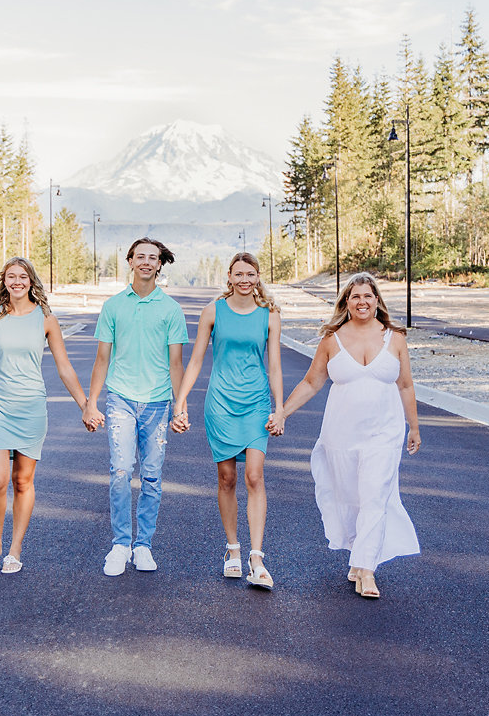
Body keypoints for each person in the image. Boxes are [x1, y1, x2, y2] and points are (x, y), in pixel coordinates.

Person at [276, 272, 421, 599]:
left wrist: (414, 426)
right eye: (355, 297)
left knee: (374, 494)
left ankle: (367, 569)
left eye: (368, 296)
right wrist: (283, 412)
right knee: (351, 497)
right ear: (346, 302)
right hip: (341, 434)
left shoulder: (394, 337)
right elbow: (312, 382)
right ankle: (358, 556)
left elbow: (406, 384)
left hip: (385, 432)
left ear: (377, 300)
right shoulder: (332, 339)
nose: (362, 302)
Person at [0, 257, 89, 576]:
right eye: (11, 276)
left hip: (30, 407)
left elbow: (65, 367)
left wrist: (86, 404)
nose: (17, 281)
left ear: (31, 281)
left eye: (22, 276)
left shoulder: (46, 319)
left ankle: (14, 550)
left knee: (22, 480)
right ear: (4, 281)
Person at [172, 253, 284, 590]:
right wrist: (180, 403)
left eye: (251, 274)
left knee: (254, 475)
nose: (245, 280)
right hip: (220, 404)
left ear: (258, 276)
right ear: (230, 277)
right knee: (226, 478)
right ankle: (232, 550)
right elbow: (194, 363)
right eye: (239, 274)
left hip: (255, 404)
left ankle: (257, 558)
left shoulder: (270, 314)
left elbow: (275, 365)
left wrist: (279, 408)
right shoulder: (213, 311)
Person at [82, 237, 188, 576]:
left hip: (157, 402)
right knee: (122, 470)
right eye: (139, 256)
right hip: (120, 399)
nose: (145, 262)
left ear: (160, 264)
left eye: (152, 257)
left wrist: (180, 405)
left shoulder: (170, 309)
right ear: (130, 261)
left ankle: (143, 546)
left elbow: (176, 364)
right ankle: (120, 544)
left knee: (152, 477)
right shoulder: (114, 306)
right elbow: (102, 358)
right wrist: (90, 403)